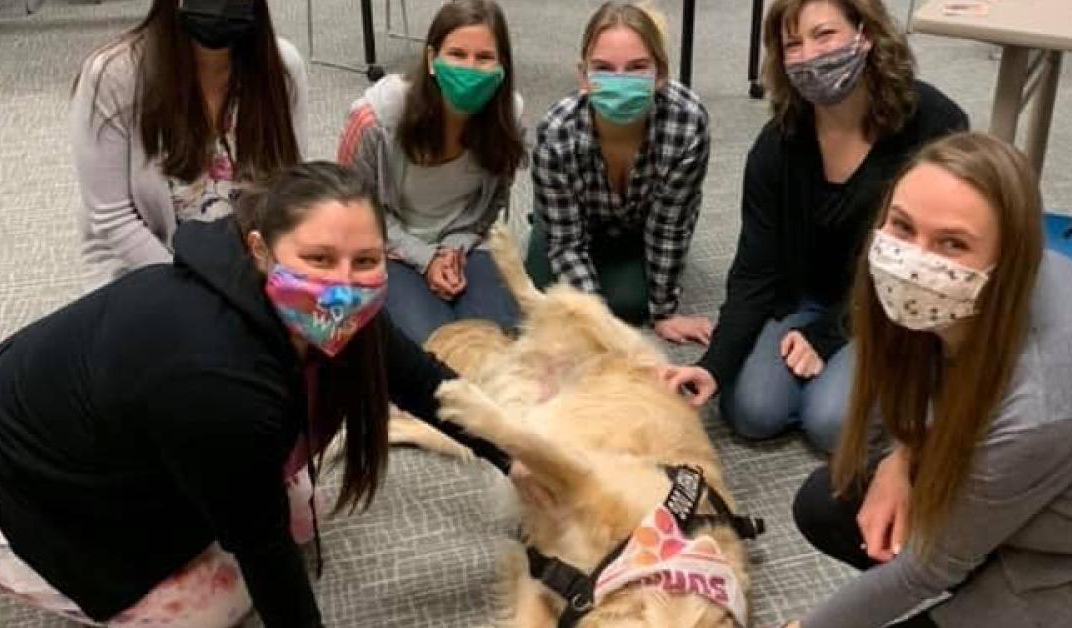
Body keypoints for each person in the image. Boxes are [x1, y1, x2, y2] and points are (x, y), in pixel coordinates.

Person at [0, 162, 523, 627]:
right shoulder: (216, 376)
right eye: (318, 258)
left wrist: (519, 457)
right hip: (22, 490)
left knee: (280, 508)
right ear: (260, 250)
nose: (345, 283)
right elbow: (264, 552)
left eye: (366, 260)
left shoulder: (325, 307)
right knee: (218, 600)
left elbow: (425, 383)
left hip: (119, 431)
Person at [783, 132, 1072, 628]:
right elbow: (948, 379)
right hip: (1036, 515)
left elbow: (925, 571)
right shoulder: (1001, 286)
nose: (915, 261)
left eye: (952, 243)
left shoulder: (1047, 402)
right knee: (830, 502)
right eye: (903, 227)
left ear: (1005, 260)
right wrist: (902, 453)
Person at [661, 0, 968, 451]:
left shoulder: (933, 125)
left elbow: (927, 265)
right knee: (751, 411)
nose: (810, 55)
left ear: (865, 32)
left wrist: (829, 334)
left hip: (893, 299)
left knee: (831, 424)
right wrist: (713, 366)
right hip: (805, 295)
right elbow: (755, 271)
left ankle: (905, 372)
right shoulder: (777, 147)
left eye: (824, 35)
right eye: (792, 44)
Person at [72, 0, 307, 284]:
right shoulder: (114, 75)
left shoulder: (280, 69)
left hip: (249, 269)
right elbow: (112, 216)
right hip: (145, 267)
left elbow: (291, 189)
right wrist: (200, 288)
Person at [337, 0, 524, 344]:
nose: (470, 68)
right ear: (431, 60)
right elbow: (352, 211)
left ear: (502, 68)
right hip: (387, 245)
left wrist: (454, 246)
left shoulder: (507, 118)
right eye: (457, 54)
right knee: (431, 349)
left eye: (484, 58)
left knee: (503, 341)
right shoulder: (374, 117)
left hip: (464, 243)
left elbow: (492, 204)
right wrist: (425, 259)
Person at [526, 1, 712, 342]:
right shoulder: (556, 132)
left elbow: (668, 226)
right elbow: (567, 244)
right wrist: (600, 325)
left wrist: (664, 311)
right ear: (583, 77)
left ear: (661, 74)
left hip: (643, 226)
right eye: (604, 68)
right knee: (544, 291)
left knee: (634, 303)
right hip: (573, 224)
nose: (620, 81)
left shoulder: (687, 122)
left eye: (638, 67)